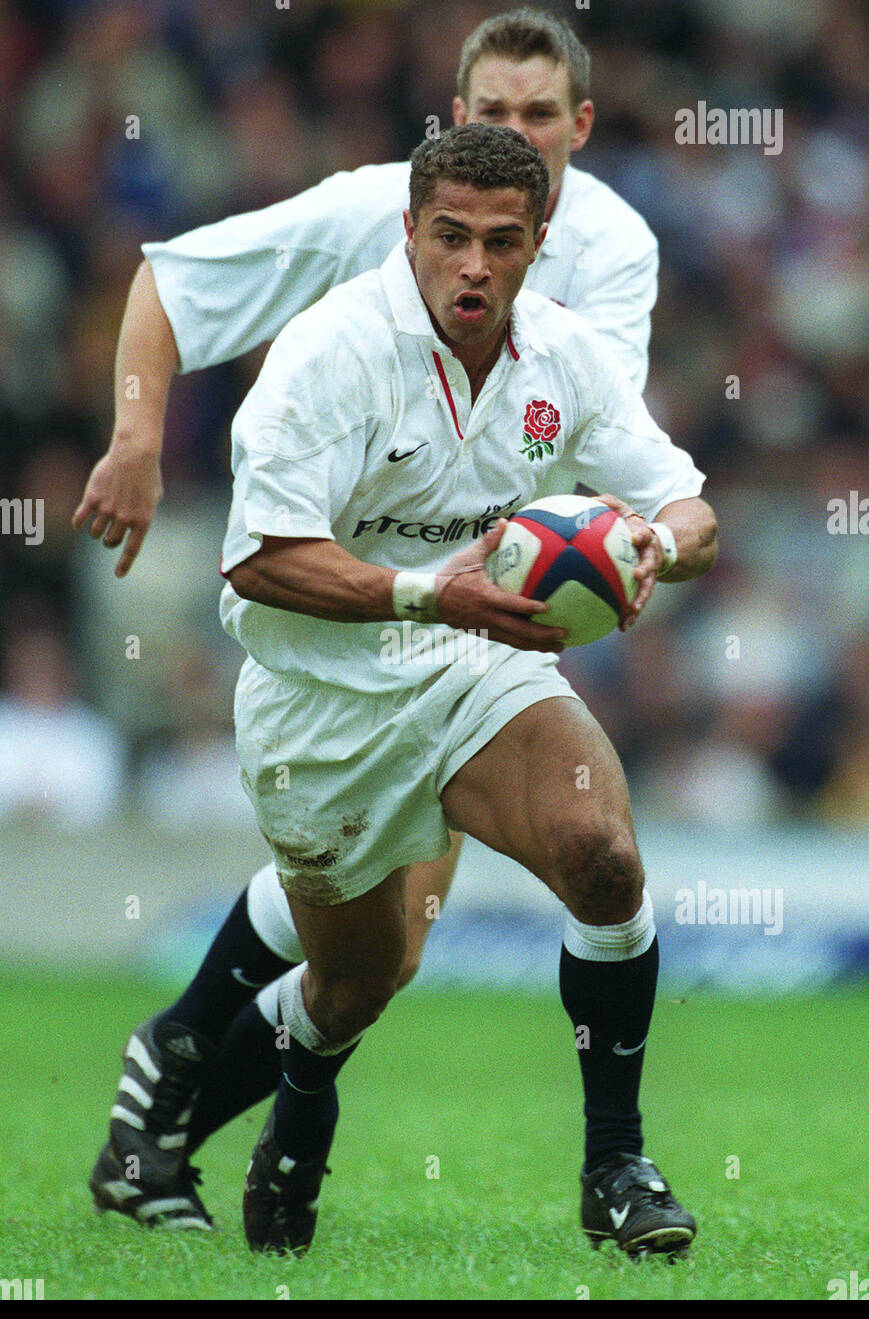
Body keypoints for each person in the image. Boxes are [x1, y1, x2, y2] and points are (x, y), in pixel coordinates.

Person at [82, 10, 665, 1234]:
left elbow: (588, 459)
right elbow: (170, 285)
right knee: (377, 958)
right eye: (489, 114)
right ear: (449, 125)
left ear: (580, 130)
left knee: (526, 884)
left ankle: (196, 1086)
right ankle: (196, 1076)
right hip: (334, 617)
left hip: (477, 626)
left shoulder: (609, 251)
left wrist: (651, 533)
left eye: (539, 116)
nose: (514, 133)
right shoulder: (365, 213)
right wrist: (137, 438)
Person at [220, 123, 716, 1258]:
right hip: (319, 694)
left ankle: (614, 1163)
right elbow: (258, 558)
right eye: (449, 237)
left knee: (602, 853)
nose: (474, 266)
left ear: (539, 242)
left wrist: (647, 541)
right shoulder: (328, 353)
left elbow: (690, 509)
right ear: (409, 232)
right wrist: (423, 593)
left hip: (475, 662)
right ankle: (298, 1108)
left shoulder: (567, 356)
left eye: (502, 240)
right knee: (357, 981)